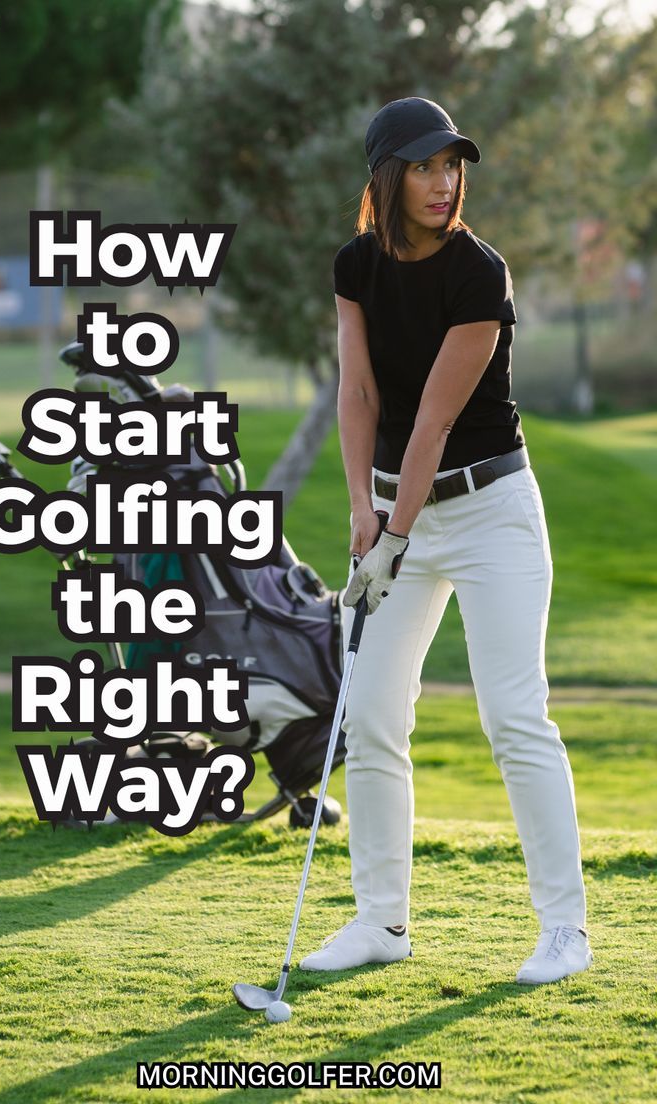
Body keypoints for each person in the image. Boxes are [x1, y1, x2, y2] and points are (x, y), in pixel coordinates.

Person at [299, 97, 593, 985]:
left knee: (514, 716)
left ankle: (565, 932)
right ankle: (380, 923)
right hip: (394, 516)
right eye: (425, 166)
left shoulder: (480, 274)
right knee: (373, 714)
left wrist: (391, 533)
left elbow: (430, 421)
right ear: (386, 176)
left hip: (491, 513)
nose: (443, 182)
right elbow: (360, 393)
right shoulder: (355, 265)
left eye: (452, 165)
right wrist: (363, 511)